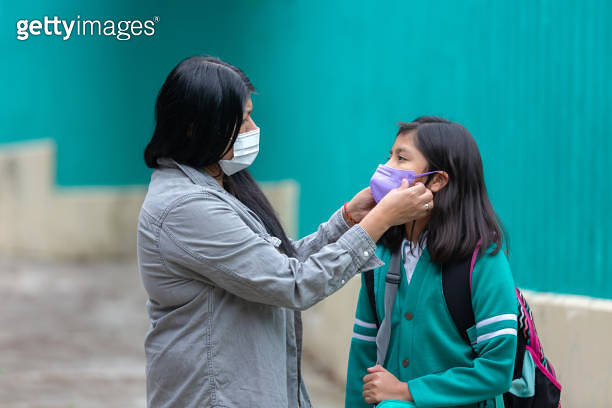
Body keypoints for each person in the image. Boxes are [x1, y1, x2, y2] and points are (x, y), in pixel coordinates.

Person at [136, 55, 434, 408]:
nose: (253, 128)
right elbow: (293, 283)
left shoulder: (217, 186)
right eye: (242, 119)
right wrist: (378, 222)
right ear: (194, 126)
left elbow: (275, 262)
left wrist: (348, 219)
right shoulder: (187, 206)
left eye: (250, 115)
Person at [345, 117, 518, 408]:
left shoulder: (482, 260)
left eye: (401, 158)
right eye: (389, 155)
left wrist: (405, 391)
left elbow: (497, 370)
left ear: (437, 180)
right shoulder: (380, 255)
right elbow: (364, 354)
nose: (387, 167)